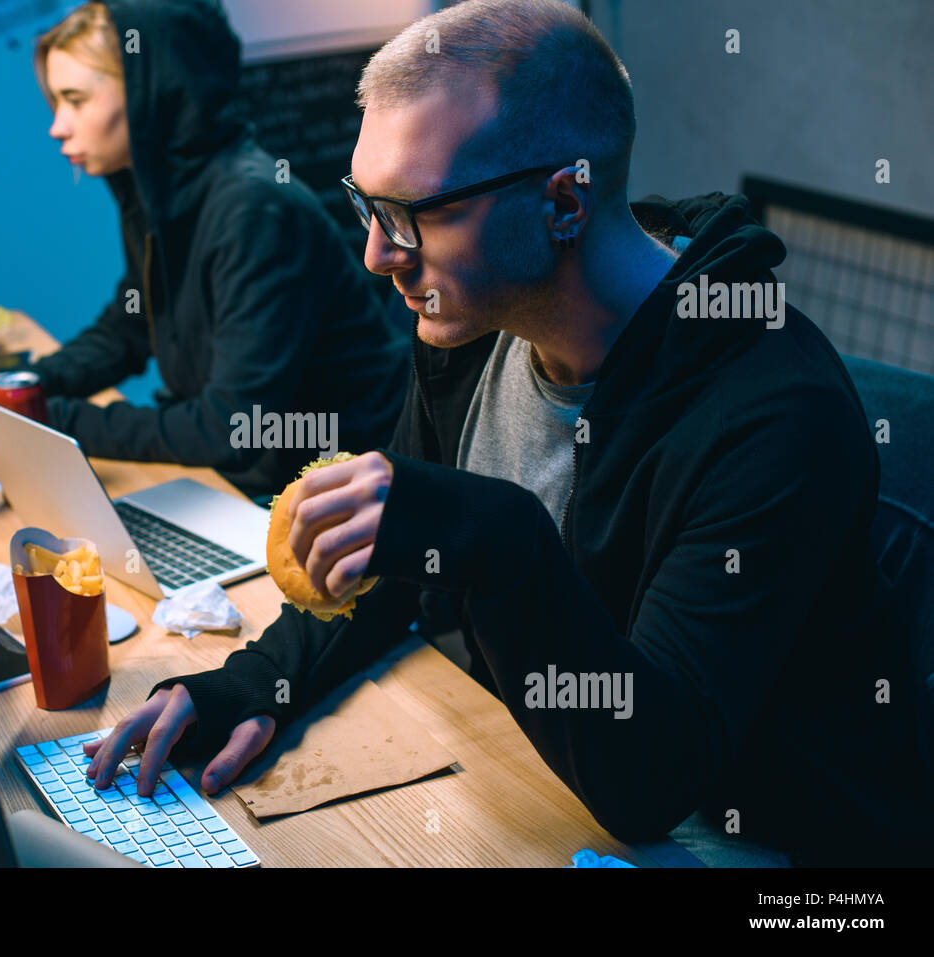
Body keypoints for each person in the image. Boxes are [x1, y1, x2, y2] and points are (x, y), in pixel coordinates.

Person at [79, 0, 934, 866]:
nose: (377, 253)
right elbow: (403, 556)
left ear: (562, 200)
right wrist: (256, 683)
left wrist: (499, 537)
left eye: (410, 213)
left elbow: (654, 778)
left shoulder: (774, 412)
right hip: (545, 768)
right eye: (365, 205)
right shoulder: (470, 316)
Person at [22, 0, 407, 499]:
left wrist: (52, 418)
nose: (59, 126)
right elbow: (128, 327)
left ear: (148, 92)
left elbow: (232, 428)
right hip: (251, 480)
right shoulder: (157, 197)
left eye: (75, 99)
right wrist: (27, 384)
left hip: (331, 489)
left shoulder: (254, 208)